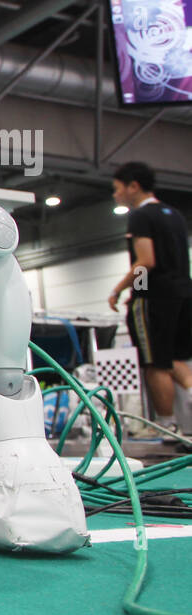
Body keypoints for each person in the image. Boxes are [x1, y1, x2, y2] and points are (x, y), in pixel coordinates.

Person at [108, 161, 192, 435]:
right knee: (176, 357)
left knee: (155, 362)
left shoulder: (141, 217)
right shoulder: (174, 215)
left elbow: (145, 262)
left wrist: (121, 289)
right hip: (183, 292)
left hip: (155, 298)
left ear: (134, 186)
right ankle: (187, 415)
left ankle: (166, 426)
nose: (115, 195)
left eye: (117, 189)